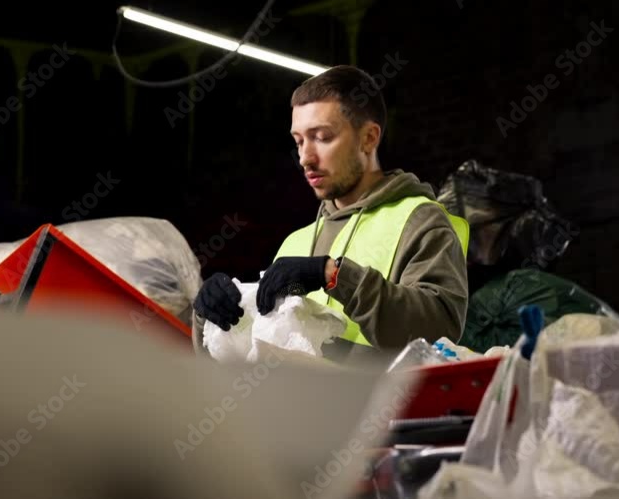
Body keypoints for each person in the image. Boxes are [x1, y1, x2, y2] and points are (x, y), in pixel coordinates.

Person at [192, 65, 469, 360]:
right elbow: (261, 349)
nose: (305, 159)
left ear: (369, 138)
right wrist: (212, 318)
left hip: (383, 405)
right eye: (299, 141)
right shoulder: (296, 242)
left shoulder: (420, 220)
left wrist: (333, 275)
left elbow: (440, 332)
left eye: (322, 137)